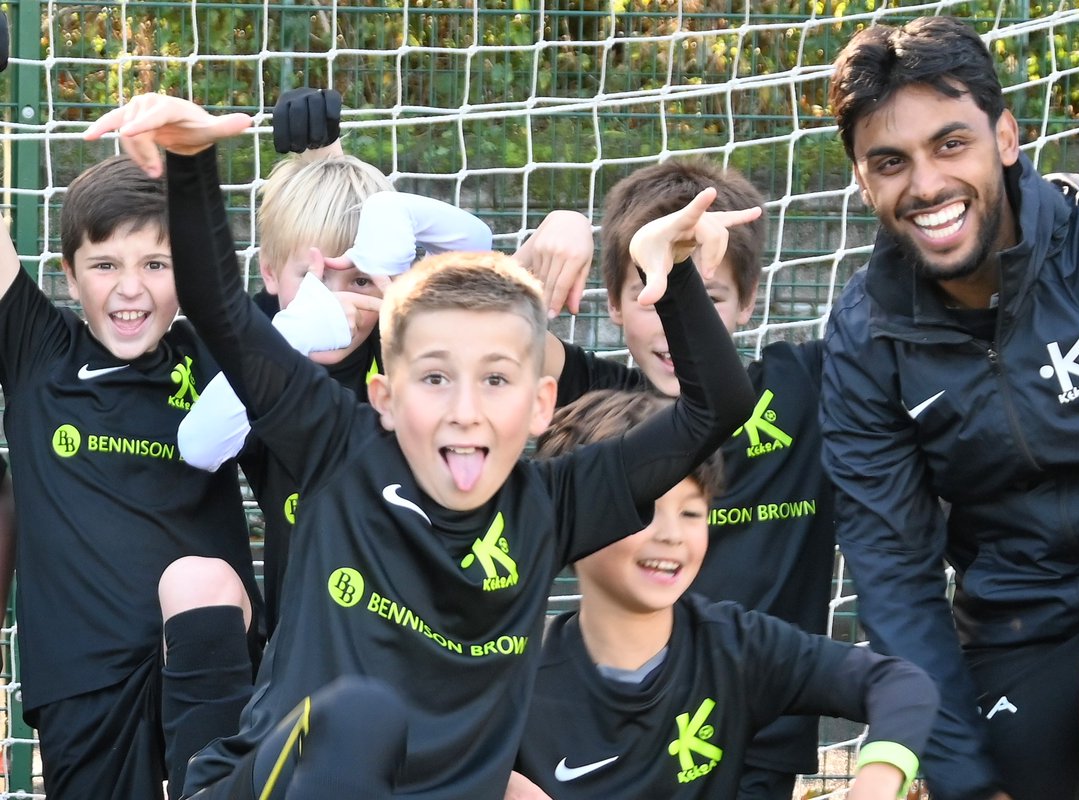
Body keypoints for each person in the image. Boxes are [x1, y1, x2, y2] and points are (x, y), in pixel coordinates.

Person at [83, 91, 757, 800]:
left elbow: (718, 406)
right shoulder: (338, 450)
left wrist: (675, 272)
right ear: (385, 394)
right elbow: (221, 309)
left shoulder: (552, 507)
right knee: (362, 717)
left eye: (495, 380)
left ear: (540, 404)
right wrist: (191, 159)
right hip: (274, 785)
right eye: (436, 378)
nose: (465, 411)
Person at [821, 14, 1079, 800]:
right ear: (863, 181)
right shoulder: (865, 337)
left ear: (1005, 137)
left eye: (949, 144)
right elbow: (895, 575)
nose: (926, 185)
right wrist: (961, 778)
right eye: (890, 162)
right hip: (1021, 630)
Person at [525, 157, 833, 798]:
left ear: (748, 301)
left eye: (706, 295)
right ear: (613, 302)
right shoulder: (598, 401)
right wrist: (561, 231)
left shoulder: (805, 389)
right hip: (628, 745)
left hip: (763, 747)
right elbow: (483, 328)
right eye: (649, 291)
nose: (674, 319)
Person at [506, 388, 938, 800]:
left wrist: (878, 779)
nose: (672, 535)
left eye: (691, 512)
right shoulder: (511, 673)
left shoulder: (736, 646)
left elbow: (900, 684)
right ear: (571, 521)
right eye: (643, 509)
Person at [177, 88, 494, 634]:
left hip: (421, 636)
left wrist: (394, 212)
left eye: (360, 279)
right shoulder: (267, 345)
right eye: (313, 278)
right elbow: (199, 446)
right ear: (270, 273)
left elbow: (478, 249)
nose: (338, 299)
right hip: (304, 644)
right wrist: (297, 331)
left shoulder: (404, 341)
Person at [0, 153, 262, 799]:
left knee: (199, 581)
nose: (129, 288)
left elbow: (328, 289)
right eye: (105, 265)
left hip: (207, 656)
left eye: (155, 264)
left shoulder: (215, 357)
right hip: (84, 679)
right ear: (69, 274)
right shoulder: (40, 351)